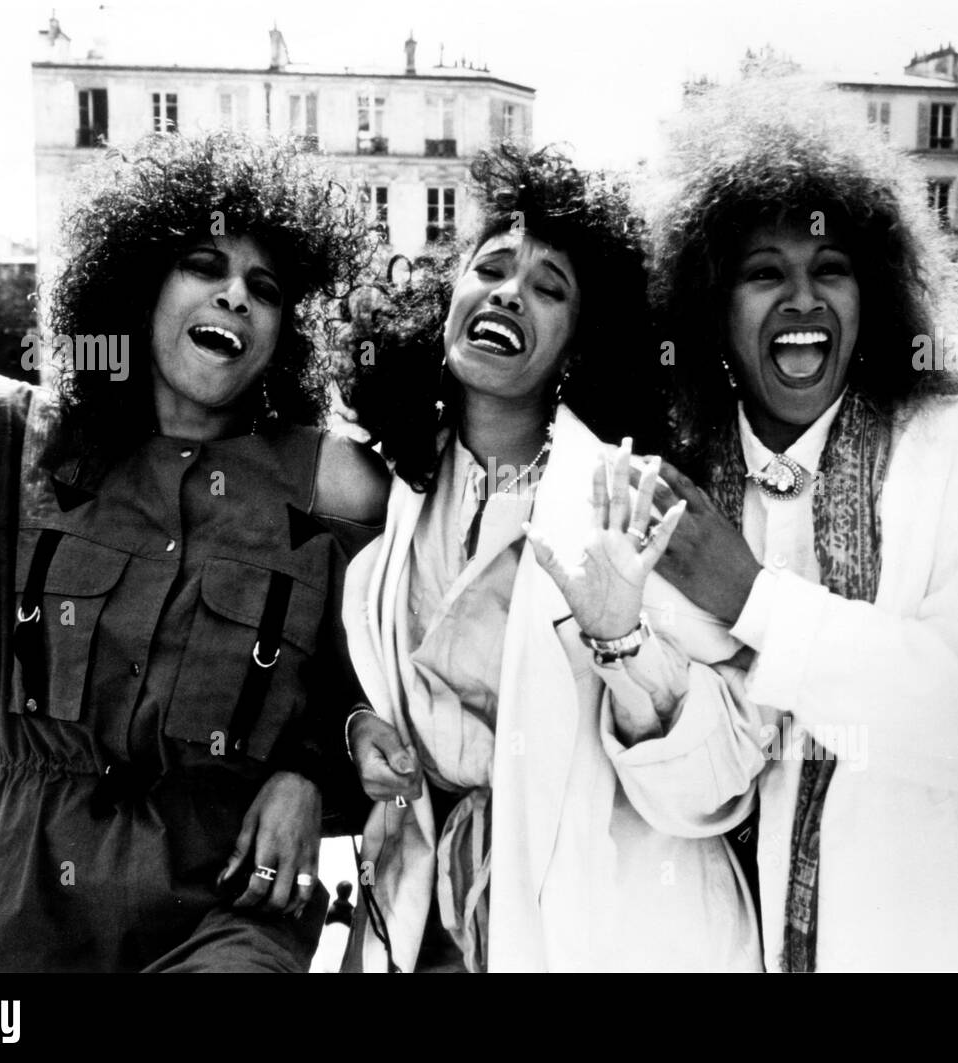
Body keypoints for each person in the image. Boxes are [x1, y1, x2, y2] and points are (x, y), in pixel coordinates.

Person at [0, 131, 386, 971]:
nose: (236, 296)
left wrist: (312, 776)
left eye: (264, 287)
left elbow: (393, 680)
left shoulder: (330, 486)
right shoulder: (15, 450)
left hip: (230, 920)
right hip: (24, 924)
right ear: (138, 286)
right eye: (202, 266)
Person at [642, 81, 958, 972]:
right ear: (711, 306)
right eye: (765, 273)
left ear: (874, 292)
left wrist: (753, 601)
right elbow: (691, 798)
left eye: (830, 269)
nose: (802, 298)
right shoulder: (692, 496)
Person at [337, 144, 767, 973]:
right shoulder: (400, 489)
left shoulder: (628, 499)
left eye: (548, 287)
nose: (509, 291)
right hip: (443, 933)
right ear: (448, 302)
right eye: (492, 266)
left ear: (577, 345)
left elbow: (725, 776)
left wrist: (625, 648)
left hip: (622, 938)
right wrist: (362, 726)